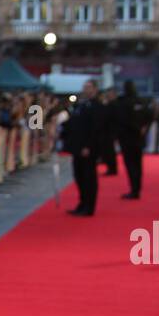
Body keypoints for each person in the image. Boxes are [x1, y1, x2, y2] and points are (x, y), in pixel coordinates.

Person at [62, 79, 102, 216]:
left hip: (88, 148)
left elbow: (96, 129)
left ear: (95, 89)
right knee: (78, 175)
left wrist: (88, 146)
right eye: (85, 87)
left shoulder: (97, 106)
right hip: (77, 147)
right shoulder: (81, 105)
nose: (86, 89)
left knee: (88, 177)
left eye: (89, 87)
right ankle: (82, 202)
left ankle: (89, 206)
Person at [113, 80, 151, 200]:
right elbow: (149, 116)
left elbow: (121, 120)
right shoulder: (142, 101)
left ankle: (134, 190)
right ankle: (137, 189)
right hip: (138, 138)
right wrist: (144, 128)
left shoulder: (122, 102)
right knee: (138, 165)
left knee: (130, 165)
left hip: (128, 138)